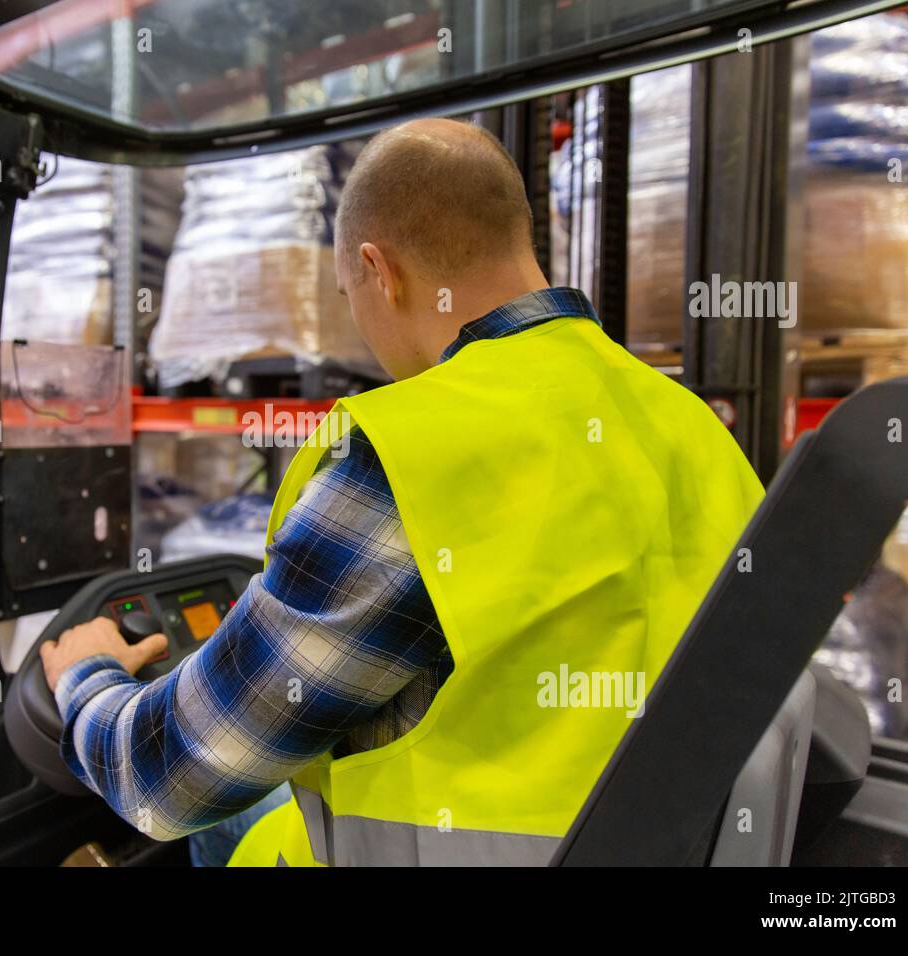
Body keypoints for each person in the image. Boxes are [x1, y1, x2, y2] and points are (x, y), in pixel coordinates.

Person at [40, 118, 764, 866]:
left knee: (218, 822)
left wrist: (84, 678)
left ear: (378, 270)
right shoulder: (691, 425)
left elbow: (169, 780)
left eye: (353, 296)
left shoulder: (409, 455)